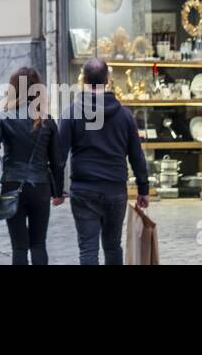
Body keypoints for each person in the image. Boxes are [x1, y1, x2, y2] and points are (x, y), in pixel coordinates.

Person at [58, 58, 150, 265]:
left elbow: (59, 155)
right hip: (115, 189)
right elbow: (136, 155)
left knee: (88, 248)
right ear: (108, 80)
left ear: (83, 80)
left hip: (83, 190)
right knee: (112, 245)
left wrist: (57, 189)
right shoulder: (125, 115)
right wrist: (143, 189)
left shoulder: (72, 112)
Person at [0, 66, 65, 266]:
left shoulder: (3, 118)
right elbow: (57, 162)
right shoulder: (47, 121)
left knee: (19, 247)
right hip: (40, 187)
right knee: (39, 244)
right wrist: (58, 192)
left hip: (12, 185)